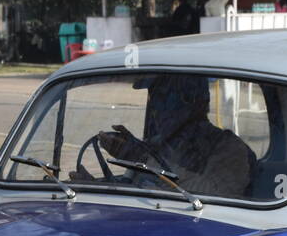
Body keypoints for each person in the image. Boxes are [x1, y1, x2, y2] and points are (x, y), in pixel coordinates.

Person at [93, 75, 256, 199]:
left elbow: (212, 195)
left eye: (162, 98)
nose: (155, 109)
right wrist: (96, 190)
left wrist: (142, 158)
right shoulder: (158, 143)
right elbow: (136, 188)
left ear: (190, 100)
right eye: (153, 98)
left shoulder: (229, 148)